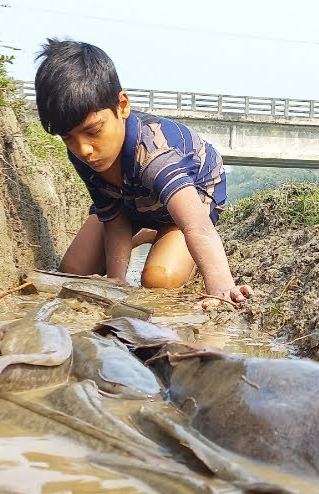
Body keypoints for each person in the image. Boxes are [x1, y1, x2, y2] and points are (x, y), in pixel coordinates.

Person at [33, 39, 254, 309]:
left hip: (192, 200)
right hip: (134, 202)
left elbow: (197, 226)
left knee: (160, 279)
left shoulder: (155, 154)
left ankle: (165, 235)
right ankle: (149, 231)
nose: (84, 149)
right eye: (68, 137)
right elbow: (113, 216)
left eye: (92, 131)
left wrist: (220, 287)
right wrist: (117, 281)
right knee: (73, 269)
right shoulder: (83, 154)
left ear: (122, 105)